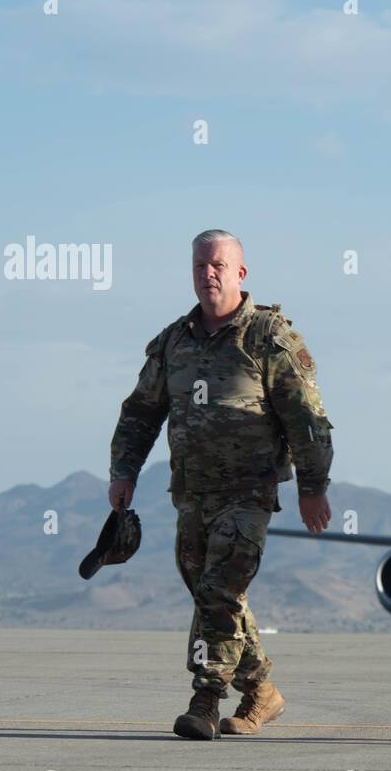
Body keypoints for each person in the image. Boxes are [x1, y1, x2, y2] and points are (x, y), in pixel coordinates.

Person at [109, 229, 334, 740]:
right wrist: (124, 471)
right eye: (199, 266)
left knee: (219, 587)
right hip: (191, 494)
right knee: (213, 595)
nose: (208, 274)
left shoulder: (268, 337)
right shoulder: (174, 342)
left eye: (217, 265)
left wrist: (312, 486)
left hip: (248, 494)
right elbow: (142, 412)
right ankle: (261, 692)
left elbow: (307, 419)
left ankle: (206, 697)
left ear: (240, 273)